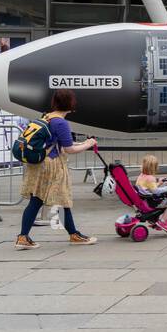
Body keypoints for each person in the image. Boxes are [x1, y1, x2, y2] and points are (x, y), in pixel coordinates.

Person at [15, 89, 98, 250]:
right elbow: (69, 149)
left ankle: (71, 233)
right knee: (58, 199)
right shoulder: (61, 123)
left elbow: (60, 144)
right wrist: (88, 144)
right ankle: (24, 236)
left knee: (42, 199)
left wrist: (82, 144)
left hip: (39, 164)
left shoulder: (47, 117)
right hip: (51, 166)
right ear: (70, 104)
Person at [135, 155, 167, 227]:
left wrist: (159, 183)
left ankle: (155, 219)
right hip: (152, 202)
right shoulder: (151, 178)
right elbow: (155, 191)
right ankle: (162, 222)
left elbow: (149, 188)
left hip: (144, 200)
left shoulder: (141, 176)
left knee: (164, 200)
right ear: (153, 168)